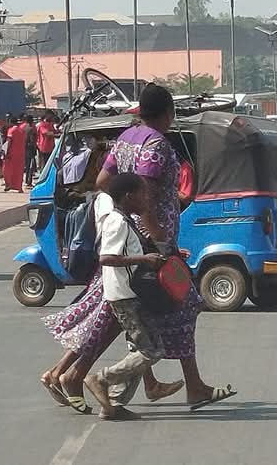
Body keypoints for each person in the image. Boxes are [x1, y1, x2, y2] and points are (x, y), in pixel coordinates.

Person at [57, 83, 234, 411]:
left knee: (131, 314)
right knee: (181, 304)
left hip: (132, 240)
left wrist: (121, 211)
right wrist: (159, 242)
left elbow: (102, 182)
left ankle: (94, 380)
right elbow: (148, 198)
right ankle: (90, 378)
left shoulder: (127, 137)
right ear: (168, 113)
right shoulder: (157, 145)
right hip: (149, 245)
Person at [82, 172, 167, 421]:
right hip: (124, 295)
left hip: (131, 292)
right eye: (142, 194)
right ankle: (100, 379)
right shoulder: (117, 222)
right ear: (128, 196)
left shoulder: (126, 221)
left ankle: (114, 404)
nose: (146, 199)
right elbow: (106, 258)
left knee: (140, 350)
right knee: (151, 352)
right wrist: (144, 259)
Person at [3, 114, 27, 193]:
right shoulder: (22, 130)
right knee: (19, 171)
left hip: (12, 154)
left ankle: (9, 185)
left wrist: (6, 152)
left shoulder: (11, 130)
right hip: (21, 153)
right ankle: (19, 187)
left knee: (8, 170)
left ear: (11, 122)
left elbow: (9, 142)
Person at [23, 115, 38, 188]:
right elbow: (32, 140)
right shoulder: (31, 129)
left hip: (25, 148)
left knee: (27, 165)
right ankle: (29, 181)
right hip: (30, 148)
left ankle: (26, 180)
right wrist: (35, 147)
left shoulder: (24, 128)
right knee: (31, 165)